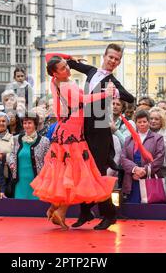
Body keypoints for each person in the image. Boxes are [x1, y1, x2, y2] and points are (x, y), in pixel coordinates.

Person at [31, 55, 120, 230]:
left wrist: (69, 58)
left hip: (63, 128)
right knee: (75, 172)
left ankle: (57, 208)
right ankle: (59, 210)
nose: (68, 69)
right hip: (72, 131)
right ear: (55, 74)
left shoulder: (54, 83)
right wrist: (106, 93)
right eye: (63, 68)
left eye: (66, 66)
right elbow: (83, 100)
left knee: (64, 170)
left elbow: (52, 59)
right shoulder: (68, 85)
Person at [63, 44, 136, 230]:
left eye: (116, 59)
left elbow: (130, 98)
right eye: (110, 57)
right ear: (104, 56)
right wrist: (69, 60)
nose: (112, 61)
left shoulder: (112, 81)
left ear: (119, 62)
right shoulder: (91, 70)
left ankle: (109, 214)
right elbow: (69, 64)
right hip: (84, 127)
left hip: (101, 128)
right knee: (82, 171)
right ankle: (86, 211)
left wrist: (114, 92)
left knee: (98, 174)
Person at [121, 110, 165, 202]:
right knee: (132, 210)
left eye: (144, 122)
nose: (142, 124)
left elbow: (159, 159)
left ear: (149, 122)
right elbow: (123, 158)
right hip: (132, 178)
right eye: (139, 122)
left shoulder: (158, 138)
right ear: (136, 123)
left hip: (149, 178)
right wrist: (135, 169)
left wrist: (143, 171)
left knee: (148, 210)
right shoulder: (128, 139)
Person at [8, 113, 50, 199]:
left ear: (35, 124)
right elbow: (12, 154)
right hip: (20, 180)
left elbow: (48, 160)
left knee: (35, 207)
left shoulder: (44, 141)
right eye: (24, 123)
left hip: (37, 181)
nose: (27, 125)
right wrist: (11, 163)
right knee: (20, 206)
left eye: (29, 123)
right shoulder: (16, 139)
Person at [149, 107, 166, 181]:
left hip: (162, 173)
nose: (153, 121)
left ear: (162, 121)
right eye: (151, 118)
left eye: (156, 119)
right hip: (143, 172)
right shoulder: (144, 132)